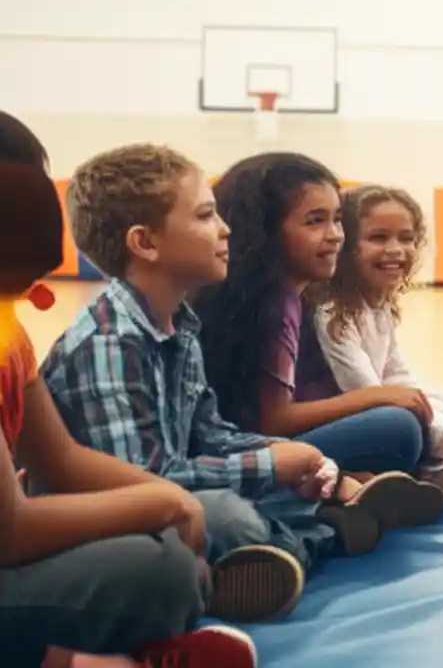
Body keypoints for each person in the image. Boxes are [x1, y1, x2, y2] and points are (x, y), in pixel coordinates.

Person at [41, 143, 428, 623]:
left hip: (172, 491)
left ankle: (296, 539)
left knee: (274, 491)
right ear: (146, 243)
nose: (225, 228)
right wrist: (268, 464)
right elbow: (146, 481)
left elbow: (211, 431)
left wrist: (293, 458)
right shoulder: (109, 343)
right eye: (206, 216)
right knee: (229, 516)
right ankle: (313, 539)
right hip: (120, 511)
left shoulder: (177, 325)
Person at [0, 112, 257, 667]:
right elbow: (12, 531)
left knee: (175, 549)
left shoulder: (8, 332)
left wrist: (173, 505)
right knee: (162, 570)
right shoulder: (106, 338)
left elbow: (63, 460)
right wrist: (163, 499)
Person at [191, 151, 443, 526]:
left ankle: (347, 489)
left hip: (259, 447)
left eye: (338, 220)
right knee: (398, 428)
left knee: (405, 424)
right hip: (247, 452)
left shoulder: (293, 296)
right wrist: (375, 397)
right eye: (316, 221)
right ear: (266, 229)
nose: (335, 236)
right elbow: (272, 421)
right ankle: (333, 495)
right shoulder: (271, 304)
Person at [312, 184, 443, 504]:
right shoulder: (333, 314)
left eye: (406, 238)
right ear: (347, 246)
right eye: (379, 238)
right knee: (407, 420)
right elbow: (365, 391)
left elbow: (399, 374)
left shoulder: (378, 307)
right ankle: (438, 466)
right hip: (356, 413)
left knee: (440, 399)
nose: (396, 249)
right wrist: (441, 428)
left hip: (379, 399)